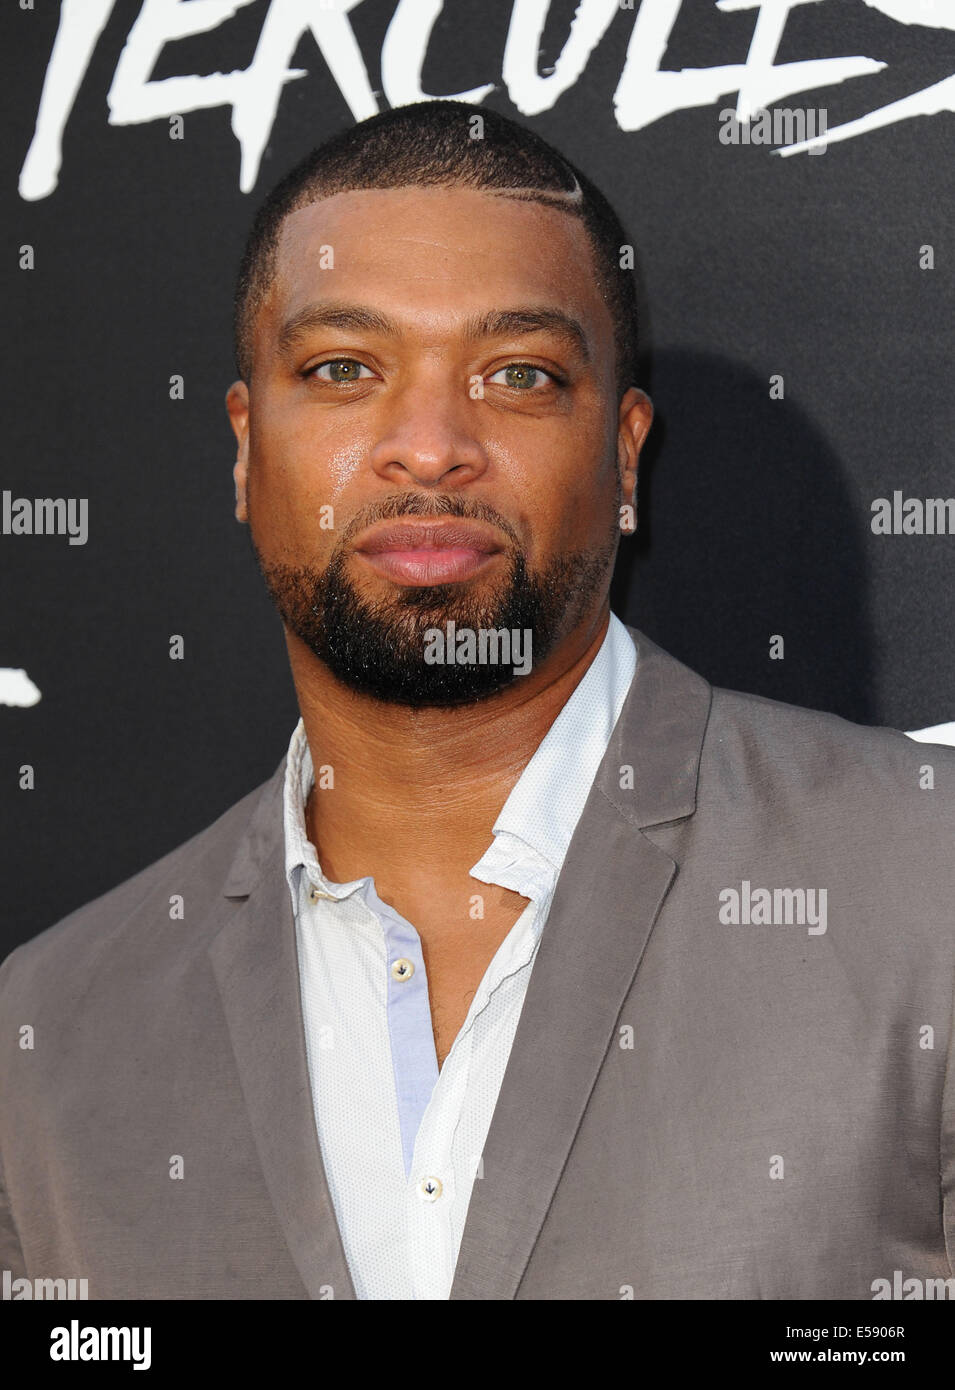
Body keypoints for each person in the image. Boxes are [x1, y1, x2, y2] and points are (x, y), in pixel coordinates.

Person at [1, 102, 953, 1303]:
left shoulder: (927, 885)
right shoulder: (46, 1042)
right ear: (246, 450)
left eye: (518, 375)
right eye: (344, 368)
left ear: (622, 456)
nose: (429, 444)